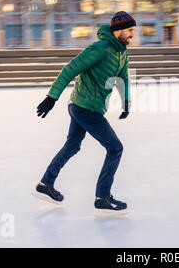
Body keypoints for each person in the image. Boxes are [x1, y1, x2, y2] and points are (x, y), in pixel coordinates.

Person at [34, 11, 136, 217]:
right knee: (115, 148)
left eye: (133, 30)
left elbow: (123, 76)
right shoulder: (99, 49)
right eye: (130, 30)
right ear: (118, 31)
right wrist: (52, 97)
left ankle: (46, 183)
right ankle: (102, 197)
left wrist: (126, 101)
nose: (133, 34)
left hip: (87, 106)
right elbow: (70, 69)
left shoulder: (121, 51)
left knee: (72, 145)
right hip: (85, 107)